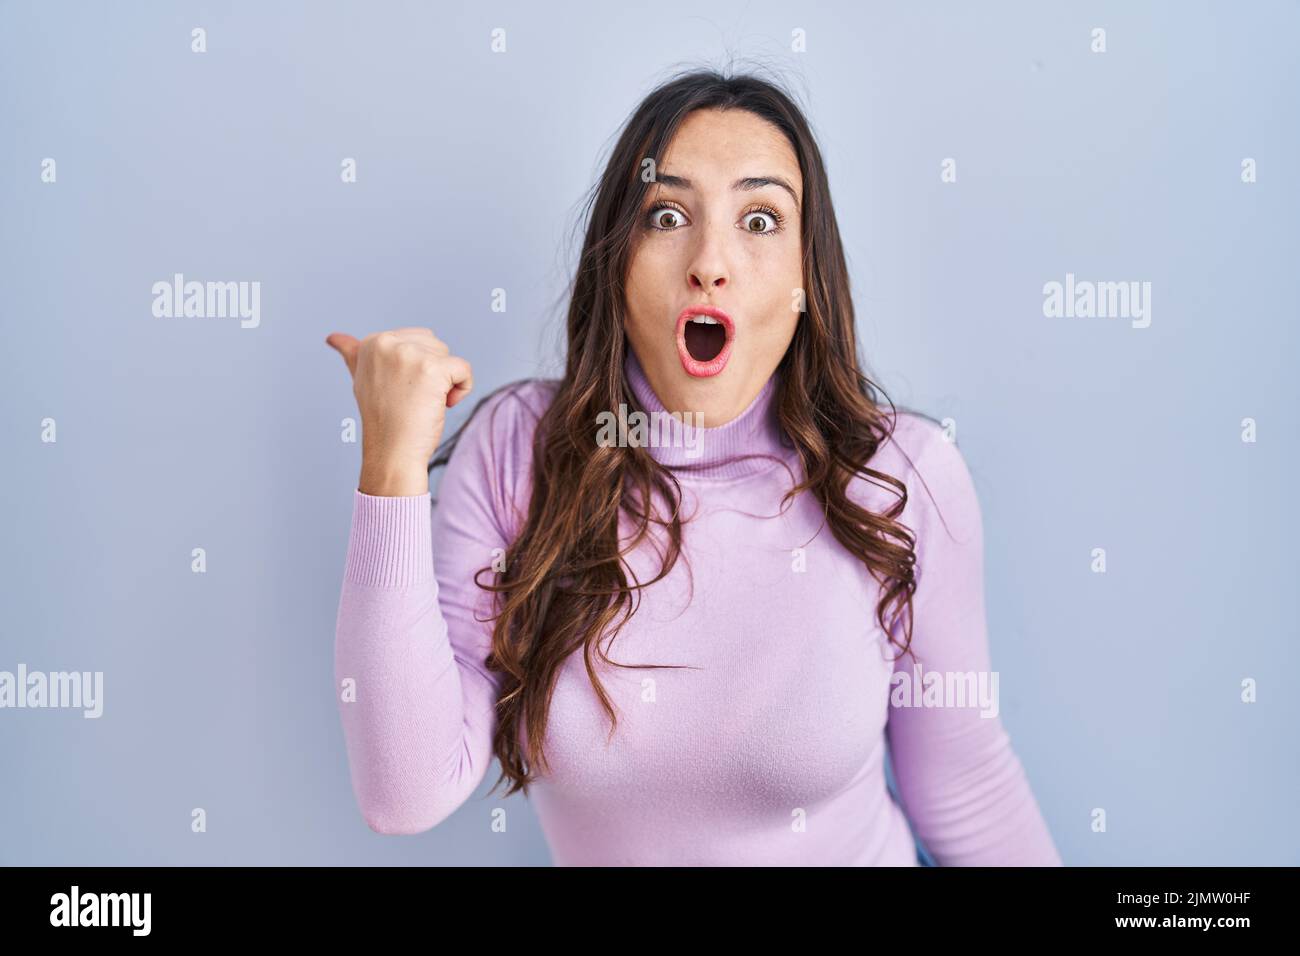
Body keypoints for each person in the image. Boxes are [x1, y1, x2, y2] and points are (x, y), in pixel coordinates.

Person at [325, 68, 1062, 866]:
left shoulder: (900, 476)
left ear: (807, 282)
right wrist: (391, 464)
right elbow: (404, 791)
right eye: (668, 215)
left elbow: (969, 789)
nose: (711, 261)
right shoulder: (517, 454)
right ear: (616, 261)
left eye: (761, 219)